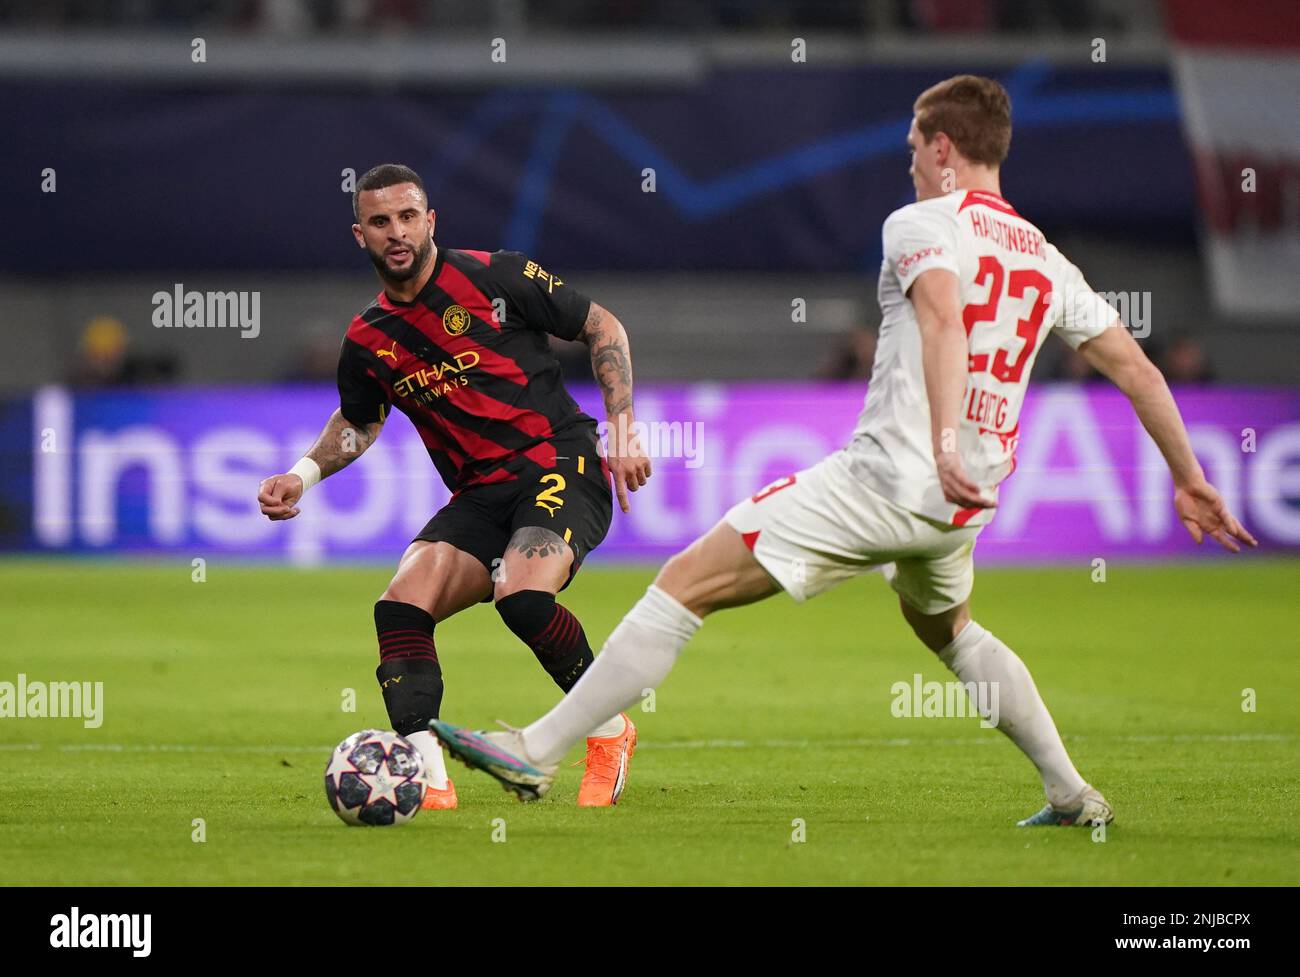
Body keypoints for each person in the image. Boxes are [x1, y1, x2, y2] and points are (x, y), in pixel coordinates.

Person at [430, 77, 1256, 826]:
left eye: (909, 149)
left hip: (893, 476)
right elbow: (1138, 368)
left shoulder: (922, 222)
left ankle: (535, 750)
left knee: (686, 583)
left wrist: (937, 442)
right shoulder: (1047, 259)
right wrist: (1190, 478)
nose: (905, 166)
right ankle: (1071, 793)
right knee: (952, 629)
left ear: (941, 148)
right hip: (965, 502)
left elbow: (939, 315)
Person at [257, 164, 651, 809]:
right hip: (479, 495)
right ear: (361, 236)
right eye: (380, 222)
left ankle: (608, 730)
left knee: (521, 597)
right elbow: (360, 422)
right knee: (401, 607)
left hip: (560, 464)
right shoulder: (367, 339)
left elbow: (602, 326)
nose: (397, 232)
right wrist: (300, 476)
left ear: (430, 221)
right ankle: (427, 777)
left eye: (409, 216)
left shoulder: (497, 276)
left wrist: (624, 425)